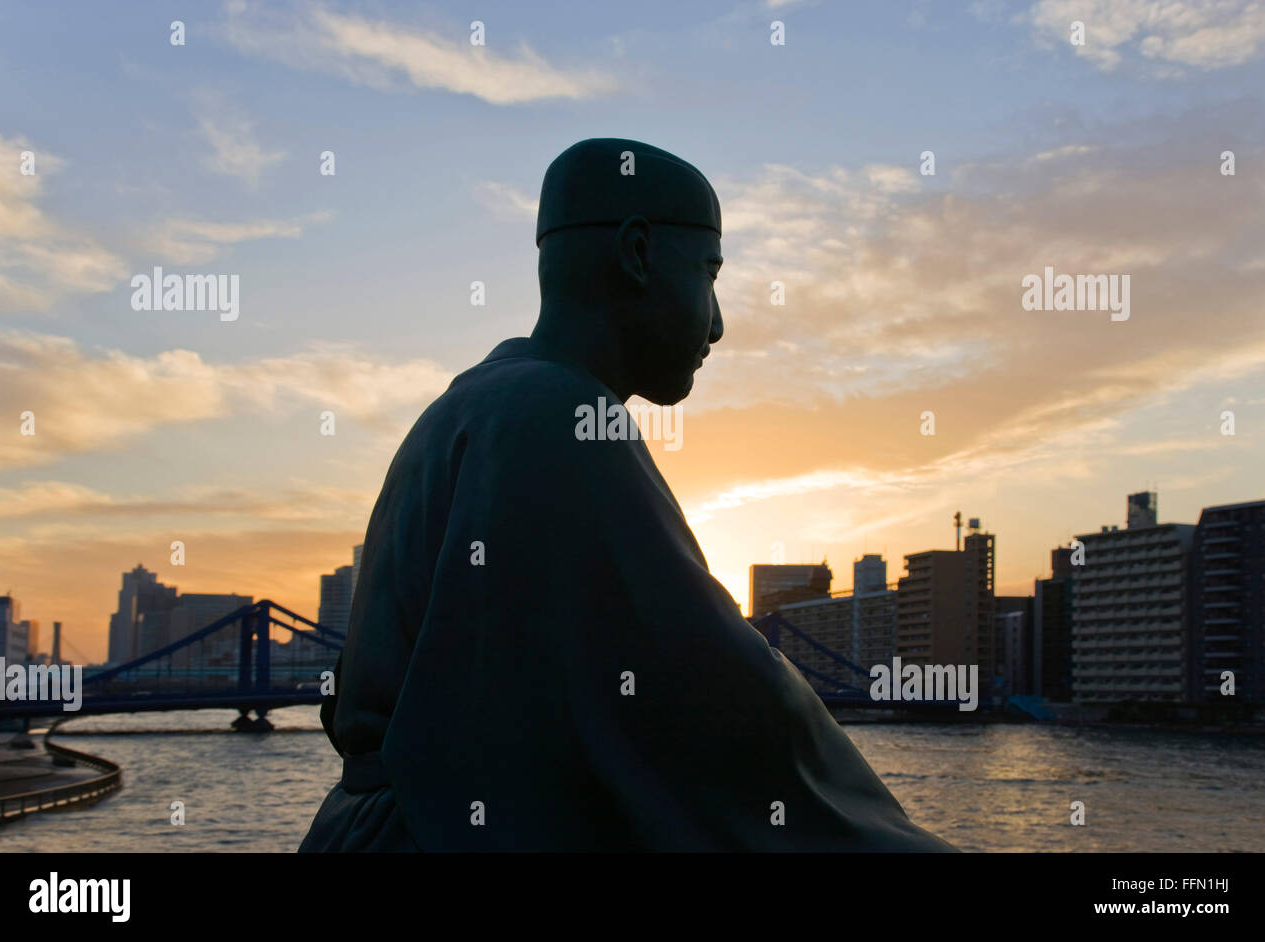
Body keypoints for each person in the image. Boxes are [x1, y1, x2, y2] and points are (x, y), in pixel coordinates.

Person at [299, 138, 956, 852]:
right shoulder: (563, 421)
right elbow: (709, 695)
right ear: (638, 253)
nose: (718, 323)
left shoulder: (461, 412)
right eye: (709, 274)